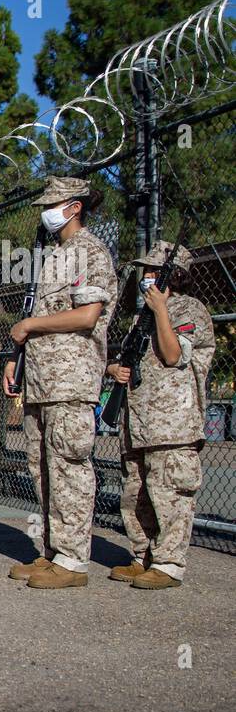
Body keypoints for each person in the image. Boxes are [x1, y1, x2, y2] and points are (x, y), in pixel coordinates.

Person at [4, 176, 117, 589]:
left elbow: (87, 316)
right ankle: (52, 550)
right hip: (41, 378)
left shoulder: (90, 251)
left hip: (71, 379)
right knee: (43, 466)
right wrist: (17, 358)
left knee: (69, 466)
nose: (45, 212)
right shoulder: (54, 255)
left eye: (53, 204)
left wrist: (31, 325)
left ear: (74, 207)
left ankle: (72, 560)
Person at [107, 242, 214, 589]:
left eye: (154, 272)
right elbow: (128, 358)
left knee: (170, 496)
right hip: (138, 424)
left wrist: (163, 311)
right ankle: (143, 555)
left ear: (175, 277)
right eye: (145, 271)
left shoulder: (189, 310)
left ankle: (168, 564)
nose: (147, 278)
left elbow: (172, 356)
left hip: (173, 426)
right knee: (136, 494)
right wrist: (114, 369)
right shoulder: (144, 317)